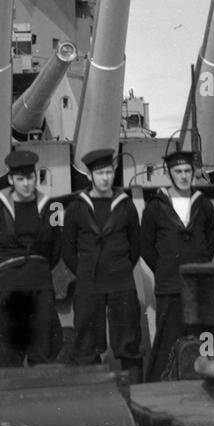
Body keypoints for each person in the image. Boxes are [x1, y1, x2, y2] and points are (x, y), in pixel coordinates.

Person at [62, 149, 143, 381]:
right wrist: (84, 272)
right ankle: (95, 397)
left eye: (108, 172)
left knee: (129, 341)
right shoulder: (77, 207)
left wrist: (122, 267)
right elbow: (68, 249)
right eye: (100, 173)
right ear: (90, 176)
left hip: (120, 280)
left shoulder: (125, 205)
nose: (105, 178)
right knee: (87, 344)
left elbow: (135, 244)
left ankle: (136, 393)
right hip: (89, 283)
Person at [0, 148, 63, 371]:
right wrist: (7, 271)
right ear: (10, 180)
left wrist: (37, 268)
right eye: (20, 179)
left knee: (42, 351)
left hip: (40, 287)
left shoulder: (51, 207)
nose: (26, 184)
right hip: (10, 289)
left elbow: (56, 248)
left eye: (30, 178)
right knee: (7, 353)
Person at [141, 149, 214, 382]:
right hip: (169, 284)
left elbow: (210, 241)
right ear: (169, 173)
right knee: (168, 336)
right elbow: (146, 247)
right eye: (178, 171)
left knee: (203, 334)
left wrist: (200, 267)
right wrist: (165, 267)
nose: (184, 176)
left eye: (187, 171)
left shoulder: (203, 205)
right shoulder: (155, 207)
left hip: (198, 283)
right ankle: (161, 383)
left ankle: (206, 378)